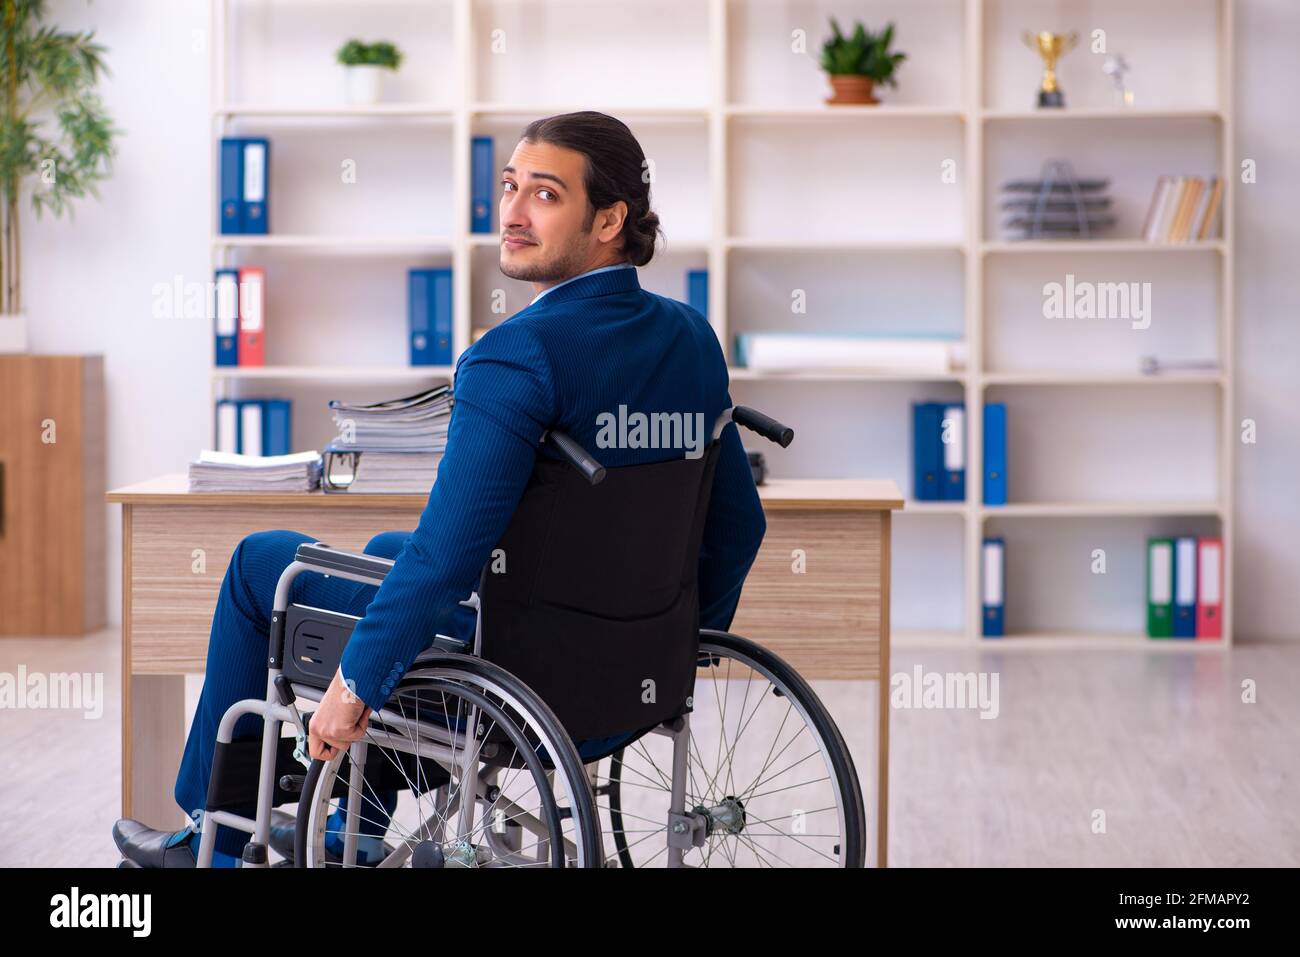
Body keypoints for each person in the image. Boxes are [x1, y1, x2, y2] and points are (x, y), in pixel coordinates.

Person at [112, 111, 767, 867]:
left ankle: (217, 841)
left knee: (265, 561)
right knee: (387, 551)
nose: (513, 213)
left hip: (522, 678)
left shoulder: (515, 354)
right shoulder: (691, 337)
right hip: (627, 685)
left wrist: (352, 687)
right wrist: (667, 639)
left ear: (609, 219)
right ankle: (351, 826)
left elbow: (447, 556)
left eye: (546, 195)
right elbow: (737, 530)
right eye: (511, 186)